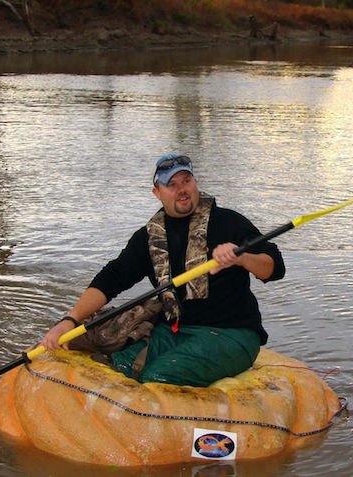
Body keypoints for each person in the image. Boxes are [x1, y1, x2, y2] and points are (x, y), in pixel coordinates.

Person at [40, 154, 285, 387]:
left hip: (231, 334)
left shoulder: (229, 222)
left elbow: (274, 268)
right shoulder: (148, 237)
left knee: (157, 376)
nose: (182, 190)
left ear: (195, 182)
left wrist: (243, 259)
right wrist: (69, 321)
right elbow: (111, 279)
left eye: (186, 181)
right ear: (157, 193)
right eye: (172, 185)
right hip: (172, 331)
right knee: (117, 368)